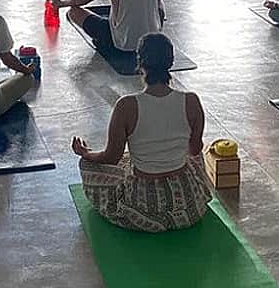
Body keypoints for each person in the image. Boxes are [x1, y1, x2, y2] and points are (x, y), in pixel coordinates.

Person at [72, 33, 212, 232]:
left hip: (144, 206)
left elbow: (111, 157)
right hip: (187, 202)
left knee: (88, 164)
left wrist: (86, 153)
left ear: (140, 63)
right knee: (196, 158)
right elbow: (195, 149)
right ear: (171, 62)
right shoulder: (191, 101)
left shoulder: (126, 106)